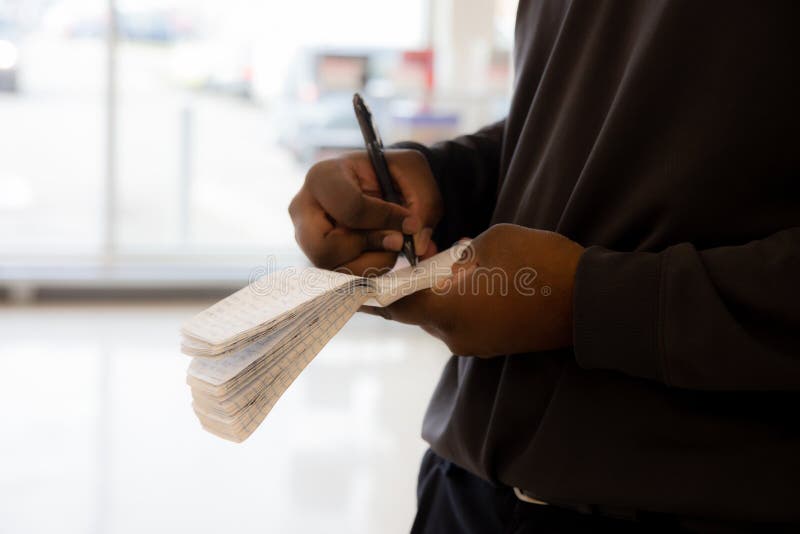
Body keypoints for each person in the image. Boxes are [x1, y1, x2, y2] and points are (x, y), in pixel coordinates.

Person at [288, 0, 799, 531]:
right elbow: (593, 119)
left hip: (704, 503)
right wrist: (446, 177)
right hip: (464, 487)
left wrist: (591, 302)